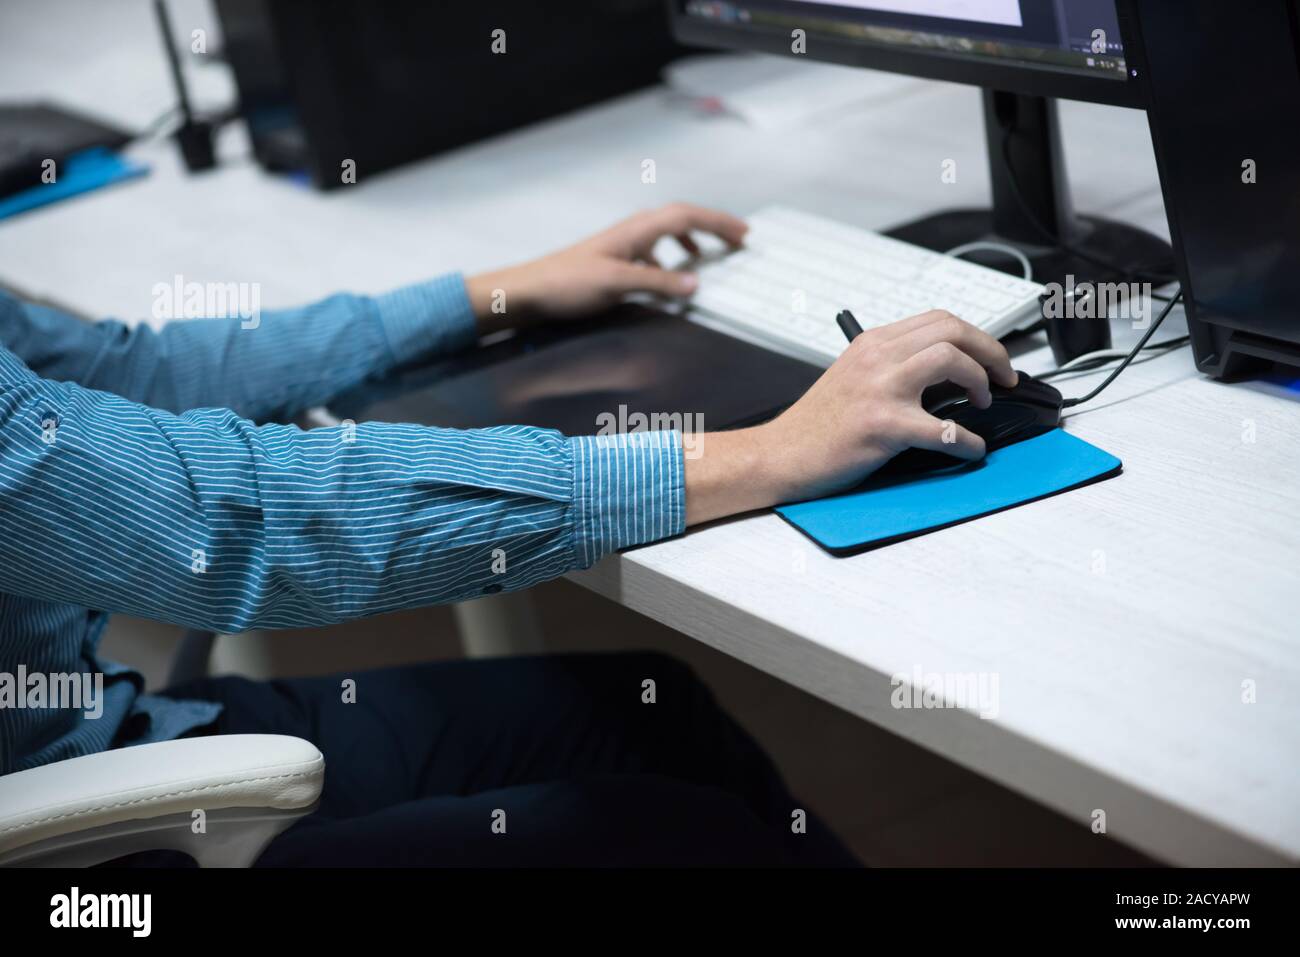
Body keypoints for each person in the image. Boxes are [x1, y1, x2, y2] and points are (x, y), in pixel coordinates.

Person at [0, 203, 1015, 866]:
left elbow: (115, 374)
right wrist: (769, 454)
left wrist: (490, 296)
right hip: (77, 844)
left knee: (656, 716)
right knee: (686, 845)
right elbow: (240, 522)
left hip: (97, 739)